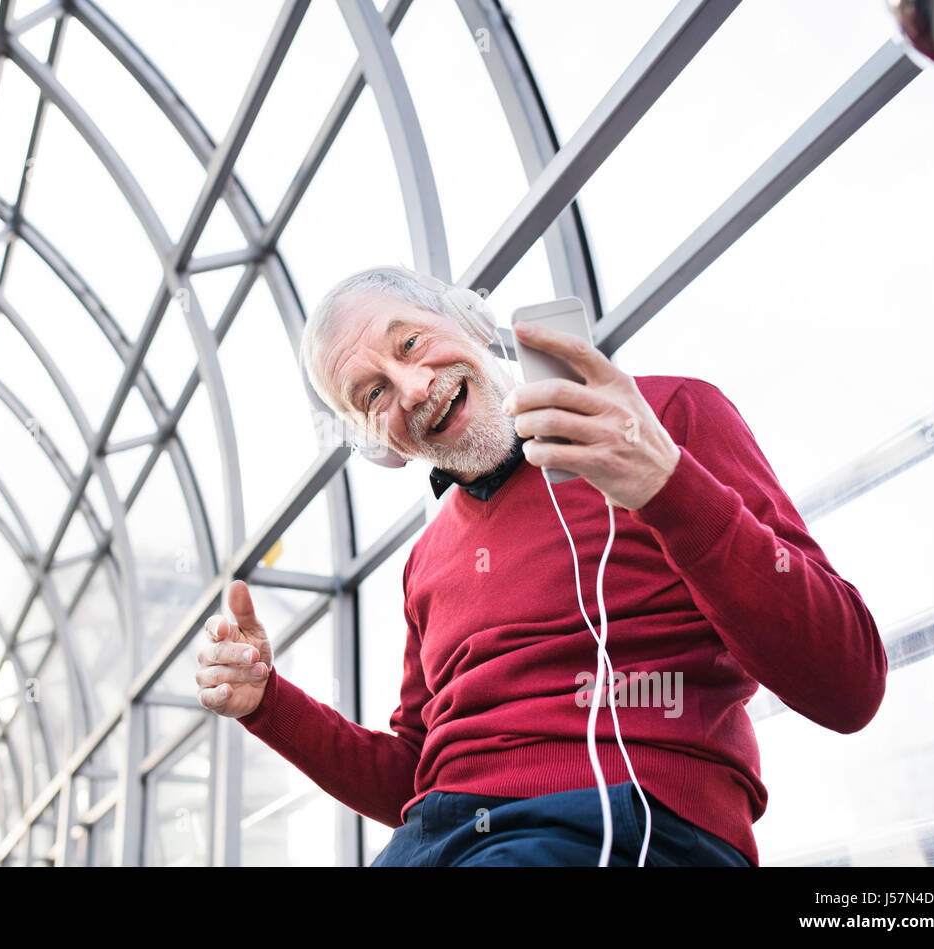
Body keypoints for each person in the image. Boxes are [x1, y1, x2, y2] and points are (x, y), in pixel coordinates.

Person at [194, 265, 887, 866]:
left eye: (410, 342)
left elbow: (847, 684)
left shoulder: (667, 417)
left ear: (469, 319)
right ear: (379, 441)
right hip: (440, 841)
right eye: (372, 394)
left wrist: (664, 484)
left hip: (631, 821)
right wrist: (269, 705)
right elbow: (417, 774)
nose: (410, 387)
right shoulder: (426, 562)